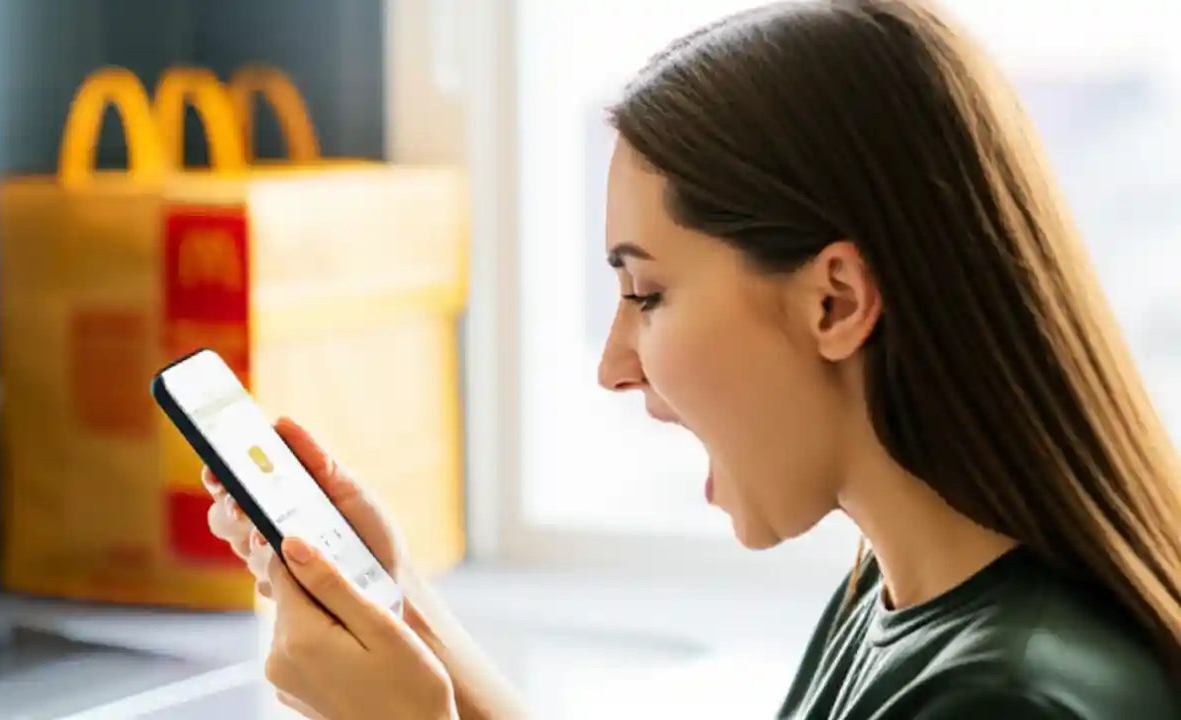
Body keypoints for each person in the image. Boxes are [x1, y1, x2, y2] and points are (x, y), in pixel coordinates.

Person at [204, 1, 1181, 718]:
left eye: (646, 295)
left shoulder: (1003, 701)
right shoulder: (900, 593)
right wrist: (403, 606)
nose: (613, 367)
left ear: (833, 300)